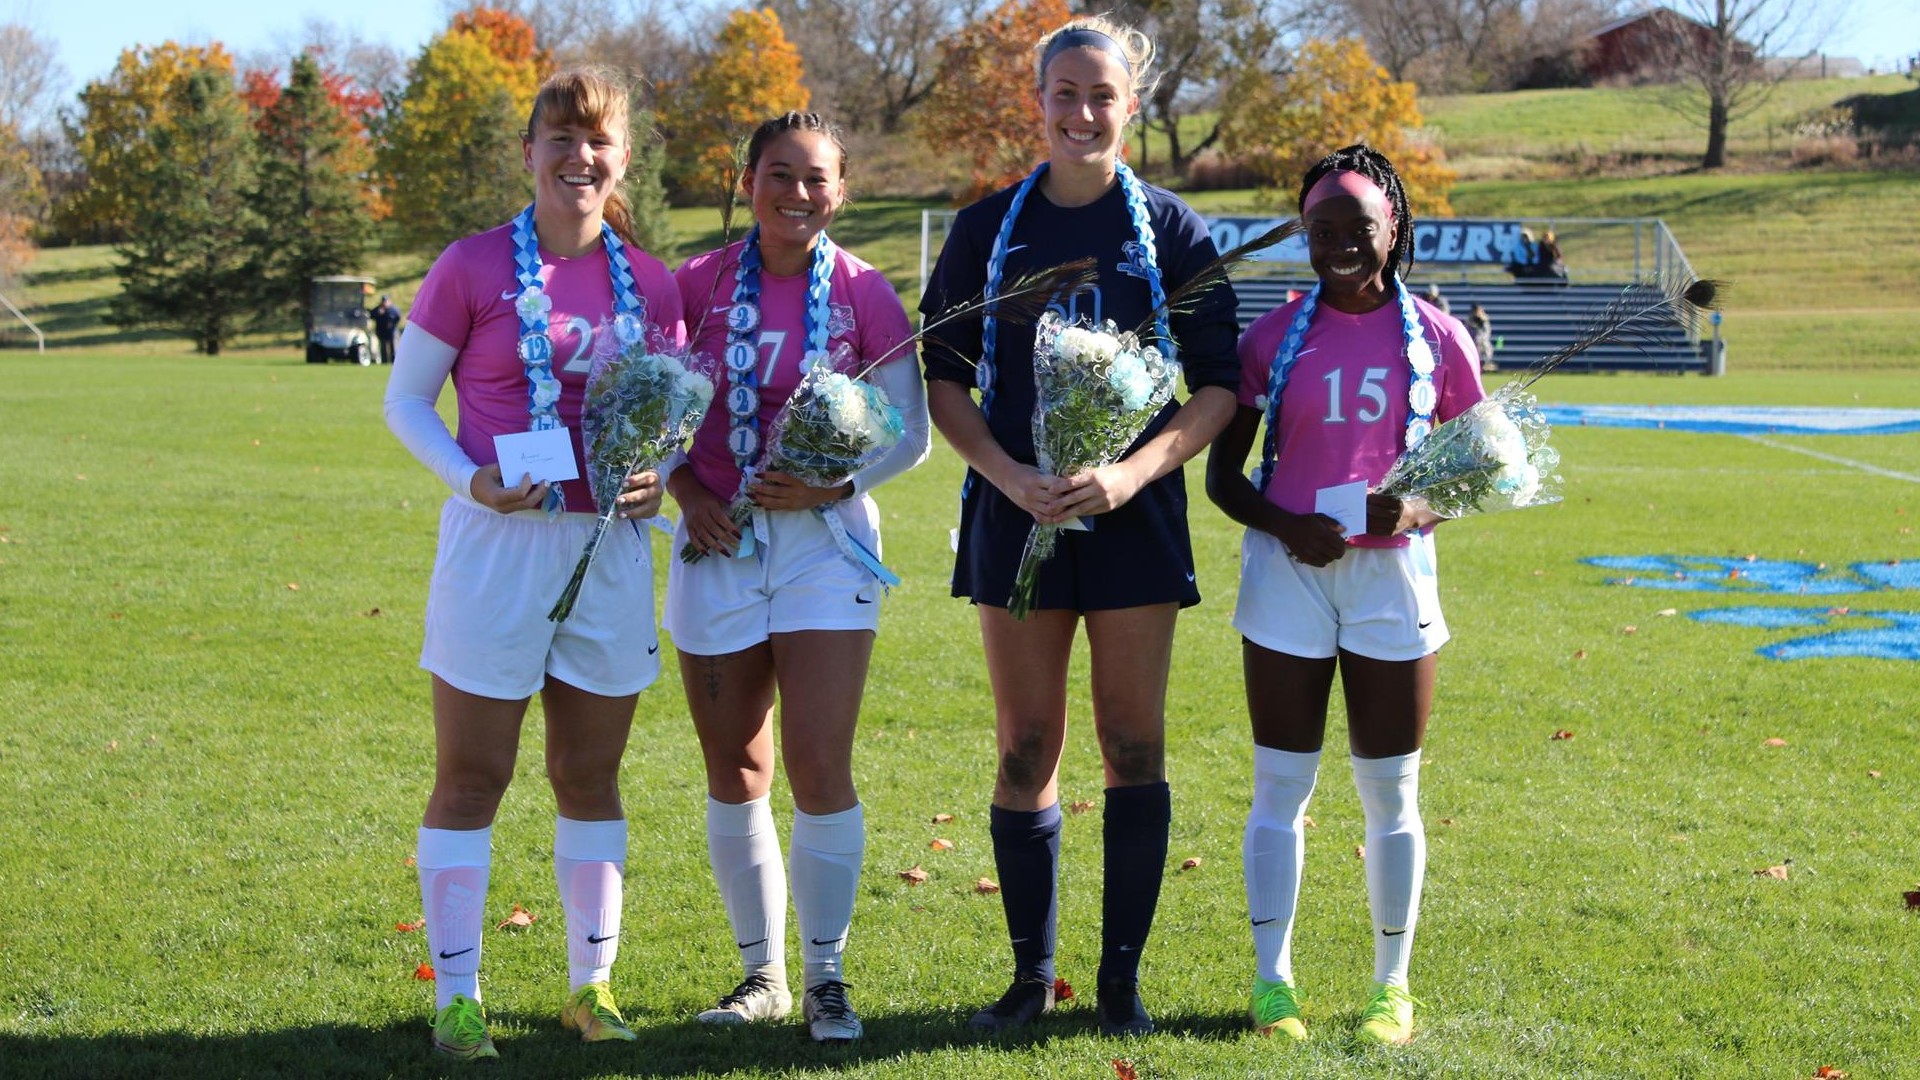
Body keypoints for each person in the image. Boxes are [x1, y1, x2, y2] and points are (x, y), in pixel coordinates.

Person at [920, 15, 1240, 1037]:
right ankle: (1028, 981)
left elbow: (1219, 389)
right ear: (1040, 102)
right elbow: (945, 378)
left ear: (1130, 108)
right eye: (1065, 93)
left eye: (1103, 96)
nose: (1083, 112)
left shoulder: (1177, 232)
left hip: (1134, 521)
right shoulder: (984, 230)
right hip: (1015, 516)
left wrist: (1133, 470)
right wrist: (1011, 476)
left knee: (1133, 742)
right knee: (1024, 746)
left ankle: (1119, 987)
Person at [381, 70, 685, 1060]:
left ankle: (590, 990)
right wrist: (472, 482)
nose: (579, 157)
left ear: (623, 158)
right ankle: (457, 1000)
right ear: (528, 151)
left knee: (588, 775)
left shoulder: (655, 282)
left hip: (607, 548)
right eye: (560, 137)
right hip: (499, 543)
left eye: (598, 140)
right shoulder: (470, 266)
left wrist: (661, 477)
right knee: (472, 777)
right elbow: (405, 403)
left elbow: (672, 417)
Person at [1204, 144, 1485, 1046]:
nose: (1339, 245)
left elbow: (1482, 471)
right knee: (1280, 786)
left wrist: (1413, 507)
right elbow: (1223, 478)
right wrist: (1288, 527)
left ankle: (1390, 987)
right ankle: (1271, 982)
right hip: (1289, 573)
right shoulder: (1269, 336)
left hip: (1393, 575)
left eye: (1357, 227)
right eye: (1321, 231)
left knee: (1390, 792)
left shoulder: (1440, 335)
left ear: (1391, 227)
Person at [665, 111, 929, 1044]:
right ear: (748, 183)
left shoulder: (867, 293)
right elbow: (649, 411)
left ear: (841, 191)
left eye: (817, 178)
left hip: (825, 545)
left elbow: (912, 432)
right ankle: (760, 975)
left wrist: (834, 482)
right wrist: (687, 485)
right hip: (719, 542)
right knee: (735, 763)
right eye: (780, 174)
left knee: (819, 762)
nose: (798, 193)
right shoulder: (693, 285)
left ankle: (825, 977)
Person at [370, 294, 404, 364]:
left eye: (386, 301)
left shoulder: (393, 309)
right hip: (381, 331)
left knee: (393, 346)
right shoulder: (378, 309)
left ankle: (394, 361)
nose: (384, 303)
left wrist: (392, 324)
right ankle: (384, 361)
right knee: (383, 347)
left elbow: (398, 317)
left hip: (391, 331)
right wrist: (378, 313)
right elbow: (371, 315)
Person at [1467, 302, 1495, 371]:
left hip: (1483, 341)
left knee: (1486, 352)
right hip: (1474, 342)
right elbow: (1469, 327)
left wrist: (1481, 319)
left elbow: (1486, 331)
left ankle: (1486, 366)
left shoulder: (1483, 318)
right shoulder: (1470, 318)